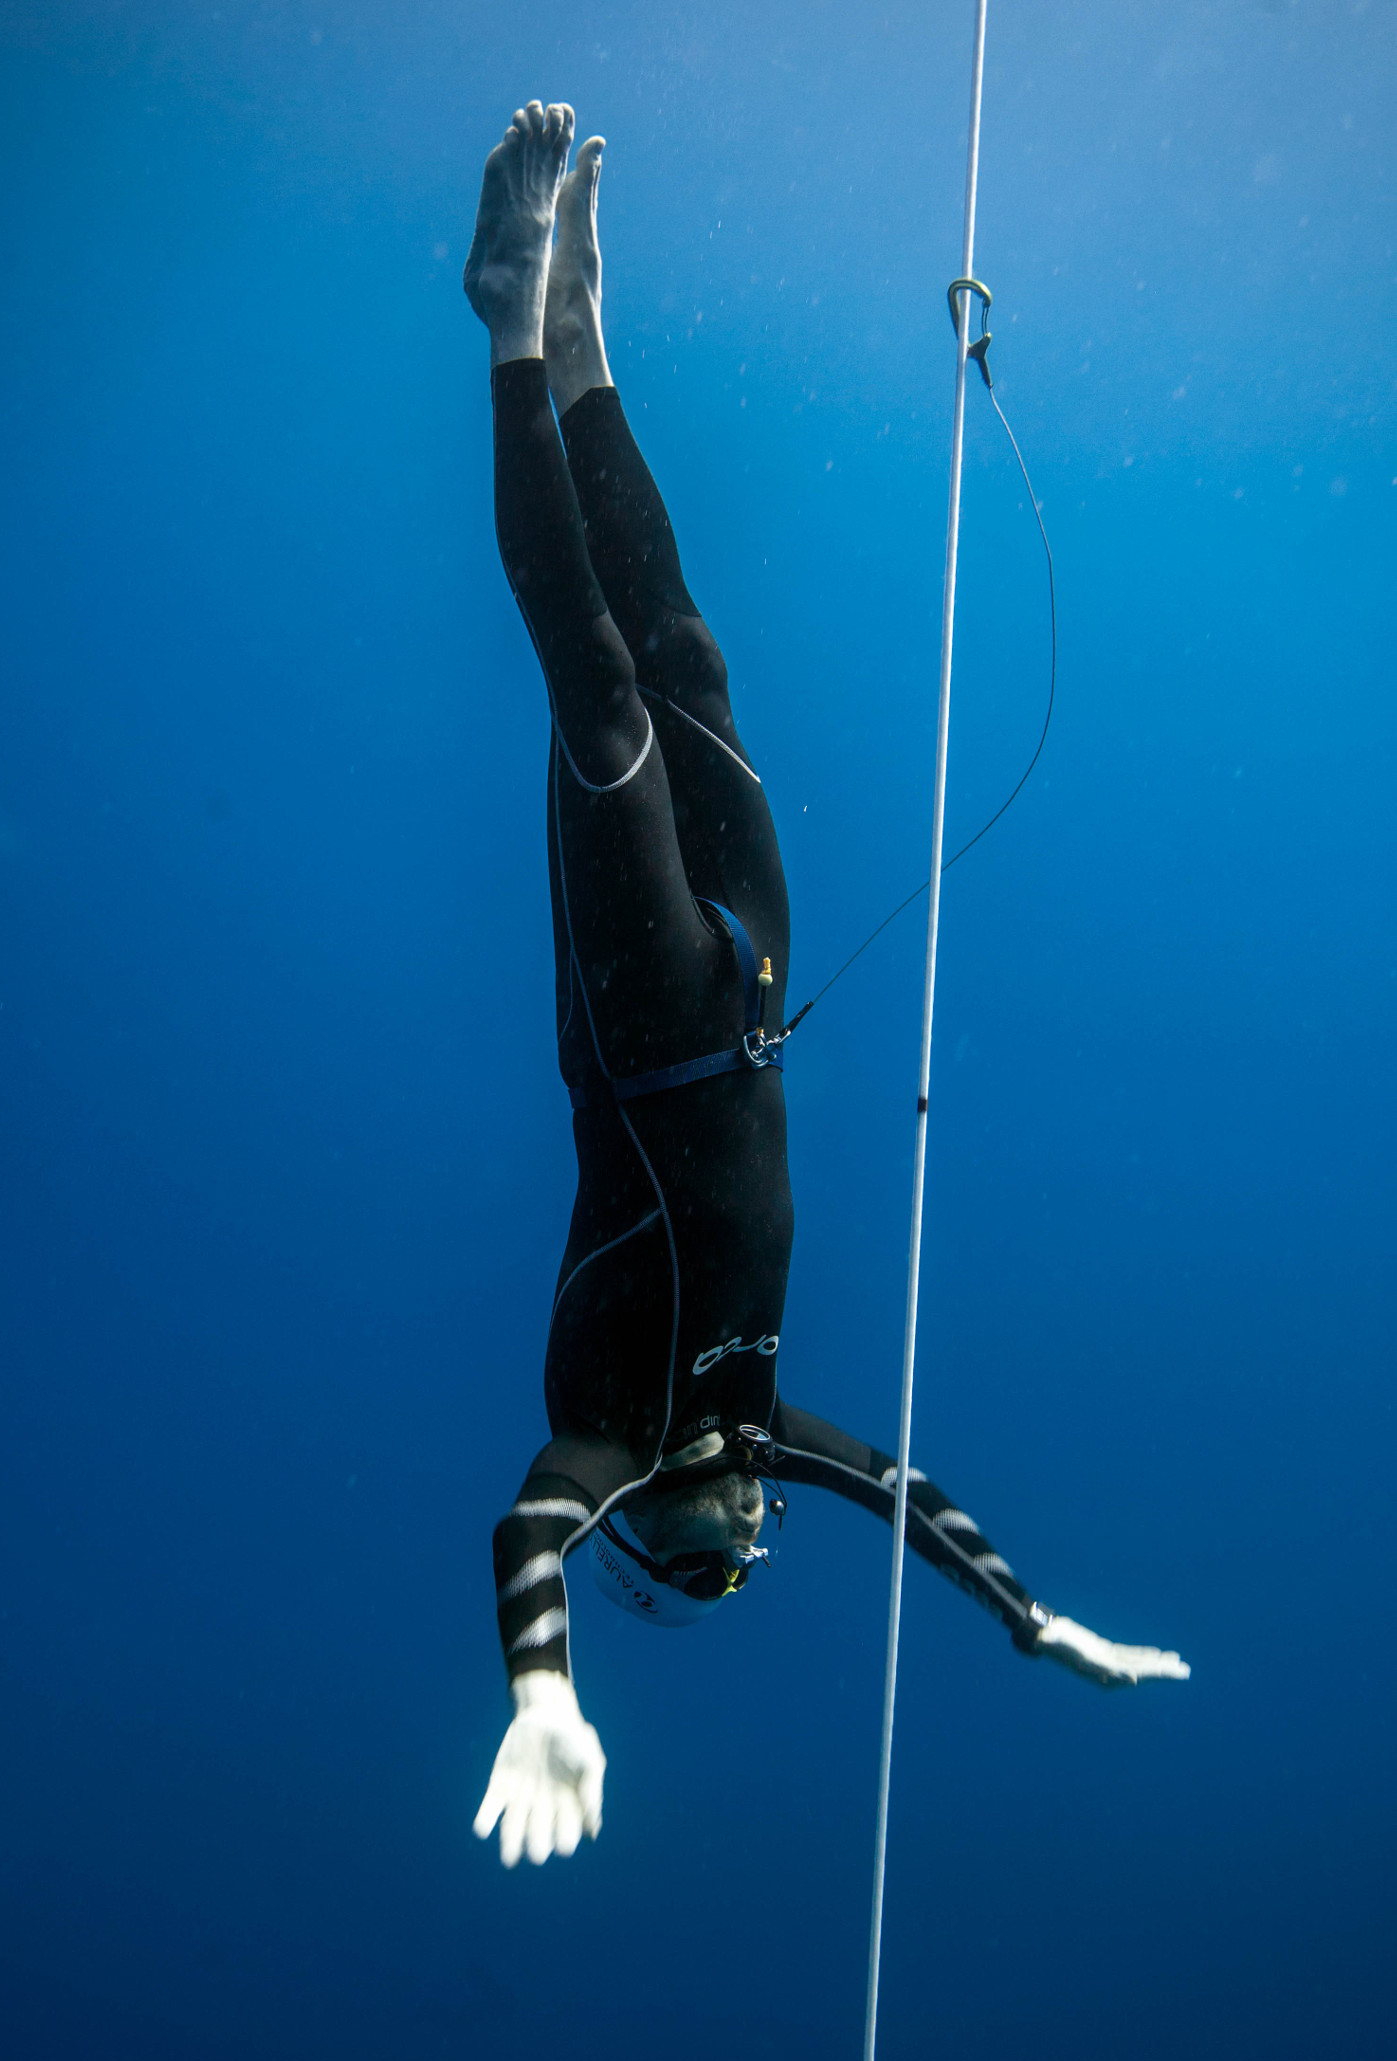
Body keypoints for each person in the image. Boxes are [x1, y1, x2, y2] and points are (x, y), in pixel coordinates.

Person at [464, 101, 1188, 1871]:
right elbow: (913, 1502)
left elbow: (525, 1535)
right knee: (692, 648)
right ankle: (590, 348)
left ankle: (510, 324)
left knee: (605, 700)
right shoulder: (765, 1432)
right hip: (754, 987)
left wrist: (543, 1696)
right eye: (744, 1550)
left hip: (641, 1030)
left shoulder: (607, 1443)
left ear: (655, 1525)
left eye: (706, 1551)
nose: (744, 1530)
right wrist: (1035, 1627)